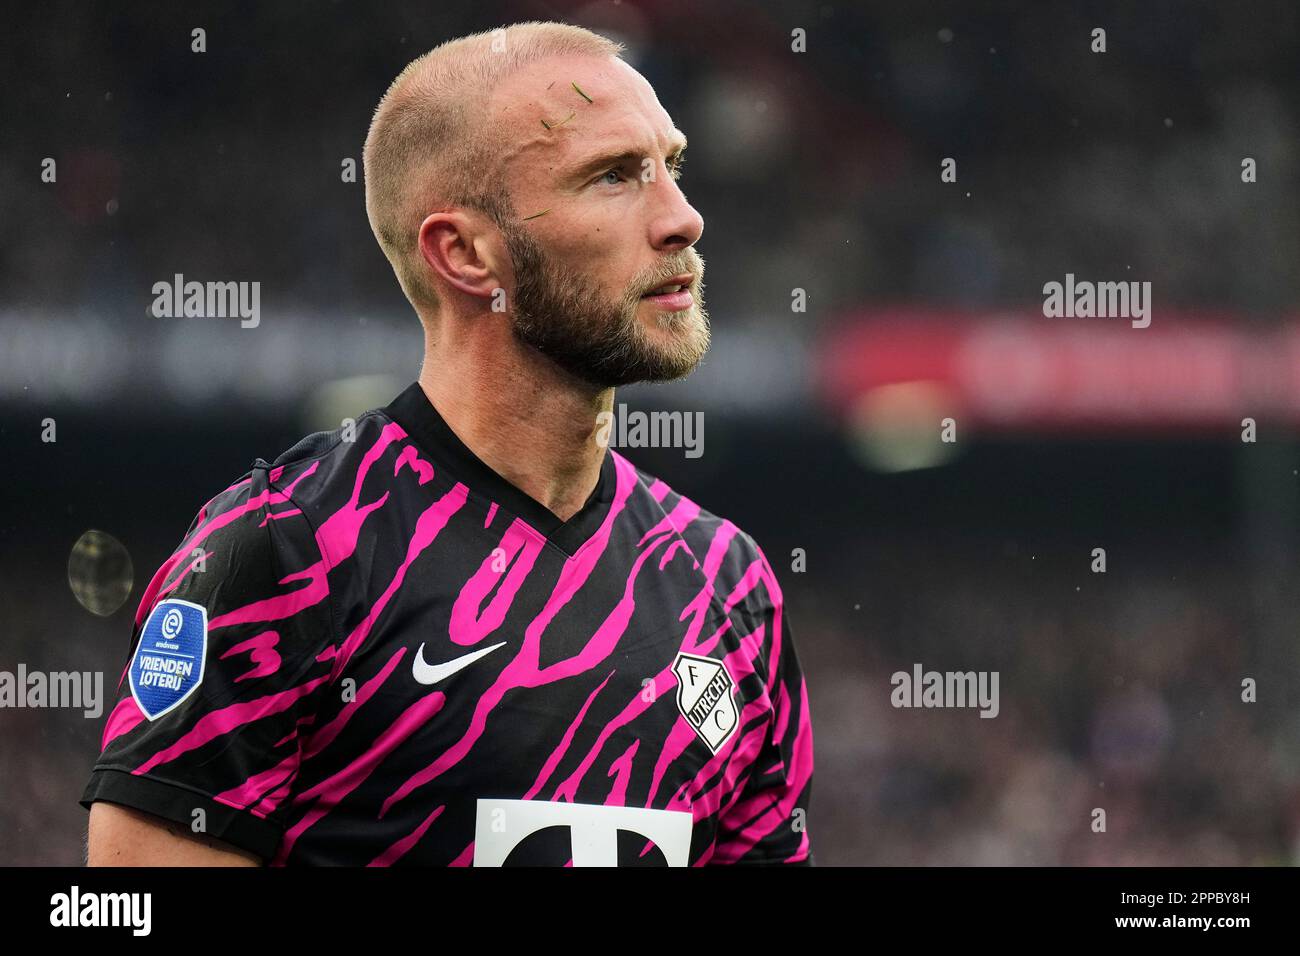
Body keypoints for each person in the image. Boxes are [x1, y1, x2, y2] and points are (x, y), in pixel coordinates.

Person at [82, 20, 812, 866]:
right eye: (613, 177)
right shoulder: (288, 550)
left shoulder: (731, 585)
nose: (682, 219)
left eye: (670, 167)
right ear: (465, 254)